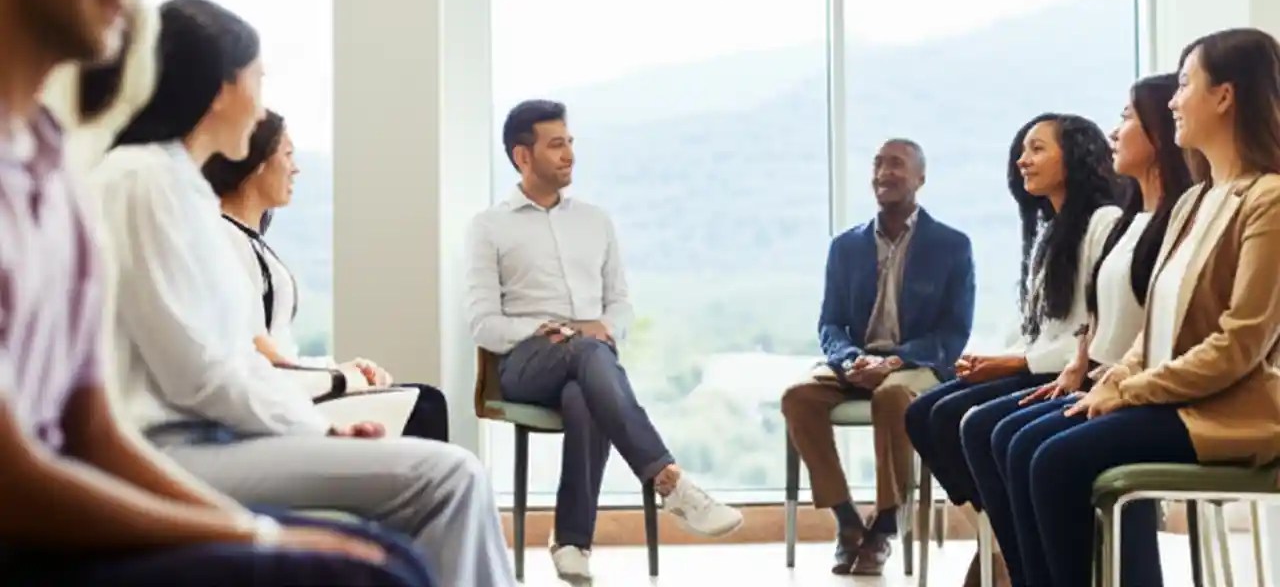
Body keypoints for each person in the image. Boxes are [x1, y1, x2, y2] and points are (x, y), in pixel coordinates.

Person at [0, 0, 435, 585]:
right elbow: (11, 479)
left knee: (390, 560)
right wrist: (254, 537)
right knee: (367, 574)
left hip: (66, 515)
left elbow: (92, 430)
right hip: (27, 539)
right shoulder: (131, 179)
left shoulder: (52, 163)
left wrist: (252, 531)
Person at [93, 0, 515, 587]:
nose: (261, 106)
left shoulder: (177, 186)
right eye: (257, 82)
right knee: (451, 477)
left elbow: (228, 363)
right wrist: (315, 427)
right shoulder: (143, 180)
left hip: (214, 437)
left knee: (443, 476)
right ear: (220, 89)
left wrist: (316, 423)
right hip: (171, 451)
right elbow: (201, 377)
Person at [1019, 28, 1280, 587]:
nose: (1172, 100)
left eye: (1185, 84)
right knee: (1024, 444)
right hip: (1169, 396)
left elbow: (1240, 344)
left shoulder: (1269, 200)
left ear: (1225, 97)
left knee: (1053, 459)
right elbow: (1156, 325)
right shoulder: (1195, 199)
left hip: (1225, 410)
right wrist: (1118, 377)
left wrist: (1131, 389)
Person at [466, 99, 744, 583]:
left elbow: (621, 304)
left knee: (583, 392)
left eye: (570, 142)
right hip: (524, 365)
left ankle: (572, 543)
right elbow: (484, 323)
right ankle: (669, 480)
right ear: (522, 156)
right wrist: (545, 330)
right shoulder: (489, 226)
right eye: (556, 145)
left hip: (588, 363)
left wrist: (605, 327)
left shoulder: (596, 221)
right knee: (588, 352)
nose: (569, 154)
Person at [958, 76, 1198, 587]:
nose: (1115, 131)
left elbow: (1174, 330)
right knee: (993, 431)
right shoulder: (1134, 217)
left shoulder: (1169, 217)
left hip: (1148, 390)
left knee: (1027, 447)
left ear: (1157, 135)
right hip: (1107, 377)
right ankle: (1022, 568)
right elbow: (1103, 318)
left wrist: (1113, 380)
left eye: (1129, 117)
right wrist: (1082, 365)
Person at [904, 113, 1123, 586]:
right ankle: (1004, 537)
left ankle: (1009, 550)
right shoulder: (1051, 231)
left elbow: (1092, 330)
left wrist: (1014, 362)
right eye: (1022, 150)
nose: (1023, 160)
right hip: (1043, 361)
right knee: (923, 413)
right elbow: (1039, 328)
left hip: (1069, 370)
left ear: (1077, 154)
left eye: (1038, 148)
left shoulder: (1105, 222)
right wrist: (996, 358)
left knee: (961, 419)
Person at [780, 139, 975, 576]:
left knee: (893, 397)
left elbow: (953, 332)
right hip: (855, 361)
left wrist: (895, 362)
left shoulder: (951, 245)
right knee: (798, 396)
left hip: (916, 365)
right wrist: (850, 360)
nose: (884, 173)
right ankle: (847, 521)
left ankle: (886, 522)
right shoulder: (844, 247)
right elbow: (829, 324)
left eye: (897, 165)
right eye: (878, 164)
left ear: (920, 179)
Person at [202, 110, 449, 441]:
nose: (296, 168)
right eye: (287, 155)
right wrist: (338, 377)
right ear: (256, 161)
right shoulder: (223, 238)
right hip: (270, 393)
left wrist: (339, 368)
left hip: (286, 385)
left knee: (425, 399)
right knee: (426, 405)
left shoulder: (246, 240)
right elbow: (258, 350)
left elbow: (278, 346)